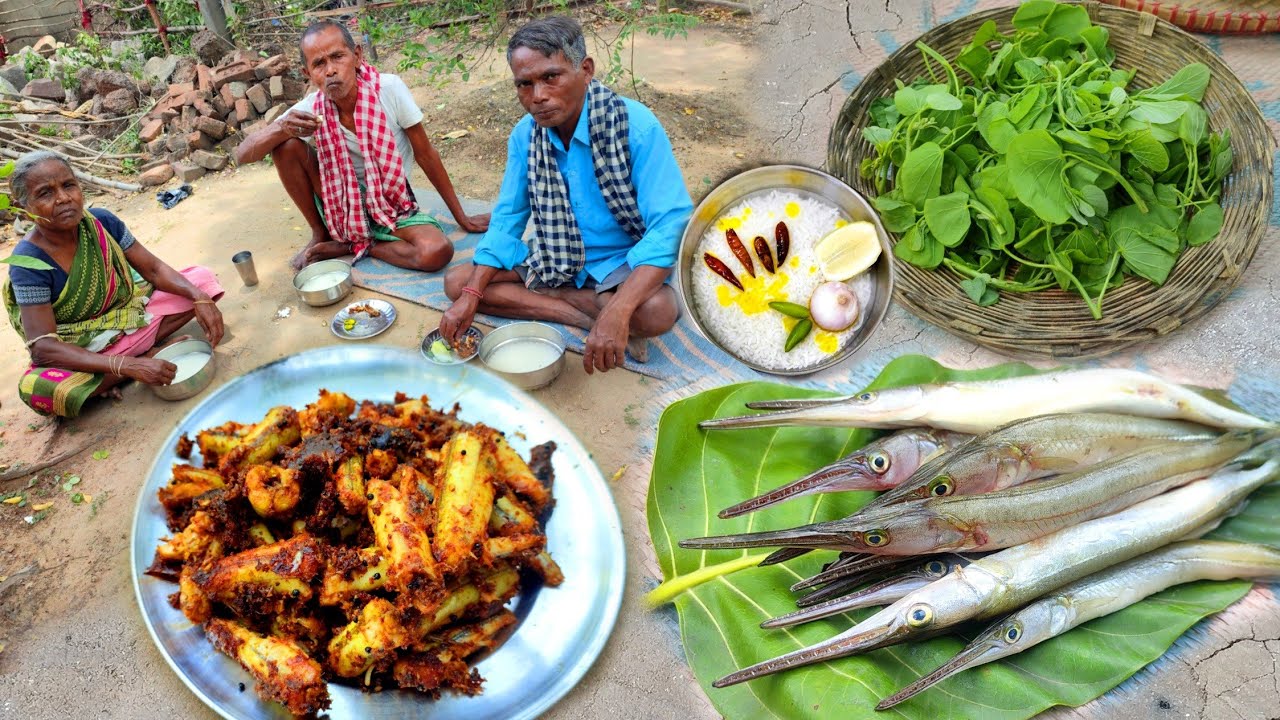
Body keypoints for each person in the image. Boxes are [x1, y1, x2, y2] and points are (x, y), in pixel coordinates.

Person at [439, 16, 692, 374]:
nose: (538, 96)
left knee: (656, 312)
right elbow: (508, 219)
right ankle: (582, 315)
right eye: (524, 84)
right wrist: (470, 297)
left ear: (585, 69)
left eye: (550, 77)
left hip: (620, 263)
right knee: (457, 284)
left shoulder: (635, 126)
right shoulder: (525, 136)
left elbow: (671, 227)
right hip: (555, 257)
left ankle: (592, 306)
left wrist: (620, 308)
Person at [234, 19, 488, 271]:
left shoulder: (389, 90)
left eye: (337, 57)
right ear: (307, 74)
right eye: (319, 64)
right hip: (341, 205)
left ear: (356, 56)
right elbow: (242, 155)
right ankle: (321, 233)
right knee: (285, 145)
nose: (330, 70)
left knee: (437, 251)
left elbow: (426, 154)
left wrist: (461, 216)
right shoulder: (312, 107)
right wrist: (281, 128)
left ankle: (352, 245)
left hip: (391, 205)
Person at [3, 151, 226, 418]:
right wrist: (127, 365)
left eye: (68, 185)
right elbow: (43, 348)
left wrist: (199, 296)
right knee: (40, 389)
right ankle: (139, 360)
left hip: (126, 315)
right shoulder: (28, 262)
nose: (64, 198)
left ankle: (120, 370)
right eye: (45, 193)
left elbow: (154, 270)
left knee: (200, 280)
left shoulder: (102, 222)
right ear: (23, 209)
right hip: (81, 347)